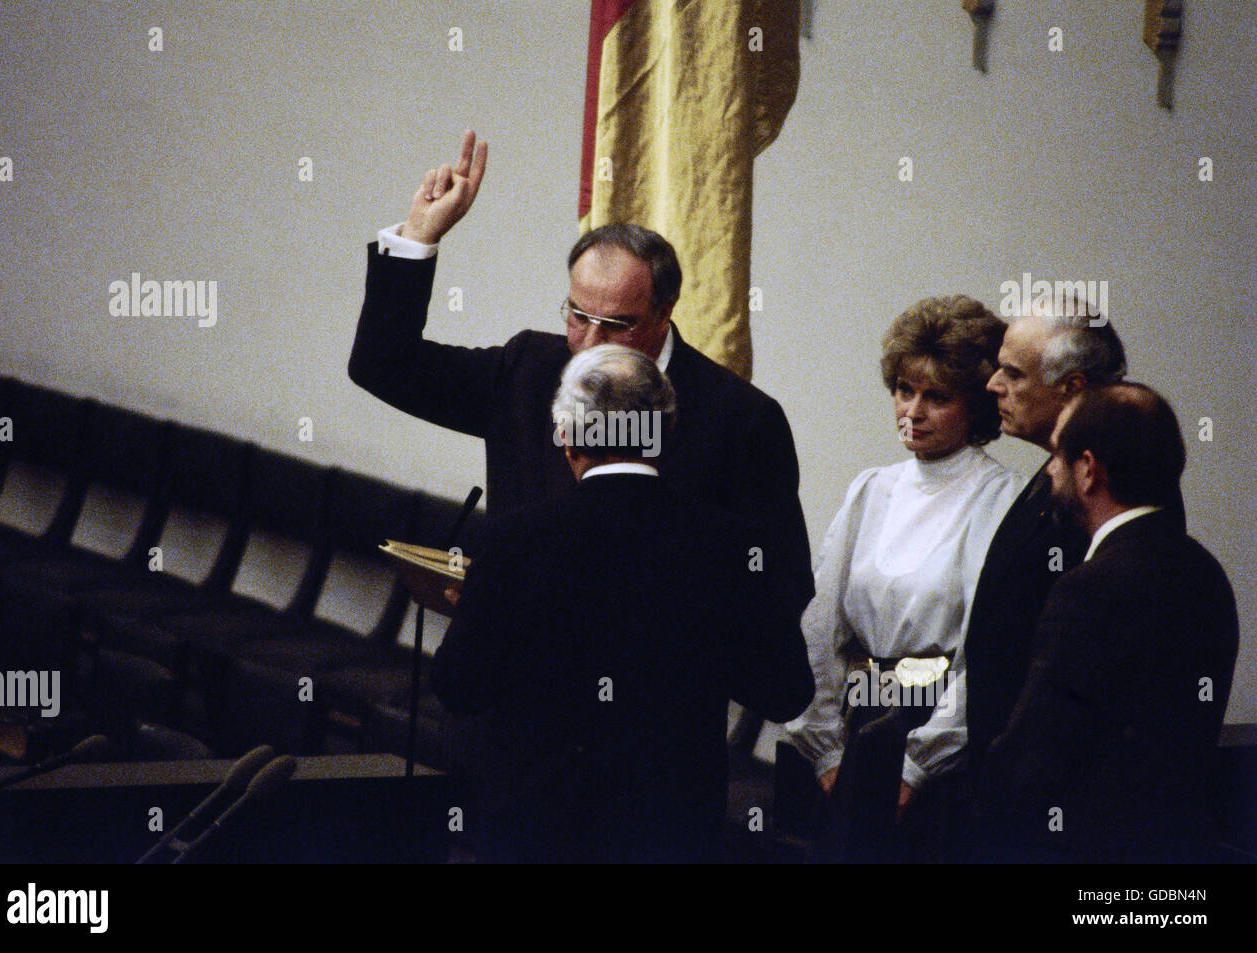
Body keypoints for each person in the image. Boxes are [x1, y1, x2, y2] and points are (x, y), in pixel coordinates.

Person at [347, 131, 814, 614]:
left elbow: (779, 583)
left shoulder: (741, 420)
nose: (589, 344)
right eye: (577, 316)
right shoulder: (527, 370)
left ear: (665, 311)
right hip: (522, 675)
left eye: (617, 326)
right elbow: (384, 365)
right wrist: (419, 237)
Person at [431, 344, 815, 863]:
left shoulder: (515, 537)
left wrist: (483, 616)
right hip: (672, 827)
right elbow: (785, 691)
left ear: (566, 439)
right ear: (666, 434)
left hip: (537, 824)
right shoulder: (730, 544)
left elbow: (459, 688)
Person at [784, 295, 1022, 862]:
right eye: (904, 390)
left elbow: (988, 652)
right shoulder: (873, 488)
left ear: (976, 407)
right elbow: (816, 621)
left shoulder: (1000, 497)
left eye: (936, 397)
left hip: (941, 739)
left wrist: (922, 763)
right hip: (858, 726)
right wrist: (825, 748)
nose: (912, 411)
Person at [978, 384, 1238, 862]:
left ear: (1088, 469)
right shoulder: (1206, 572)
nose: (1050, 468)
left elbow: (1031, 760)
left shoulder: (1090, 589)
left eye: (1058, 453)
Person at [961, 297, 1128, 785]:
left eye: (1013, 374)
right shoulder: (1060, 472)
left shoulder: (1103, 489)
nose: (993, 384)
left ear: (1071, 387)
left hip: (1047, 796)